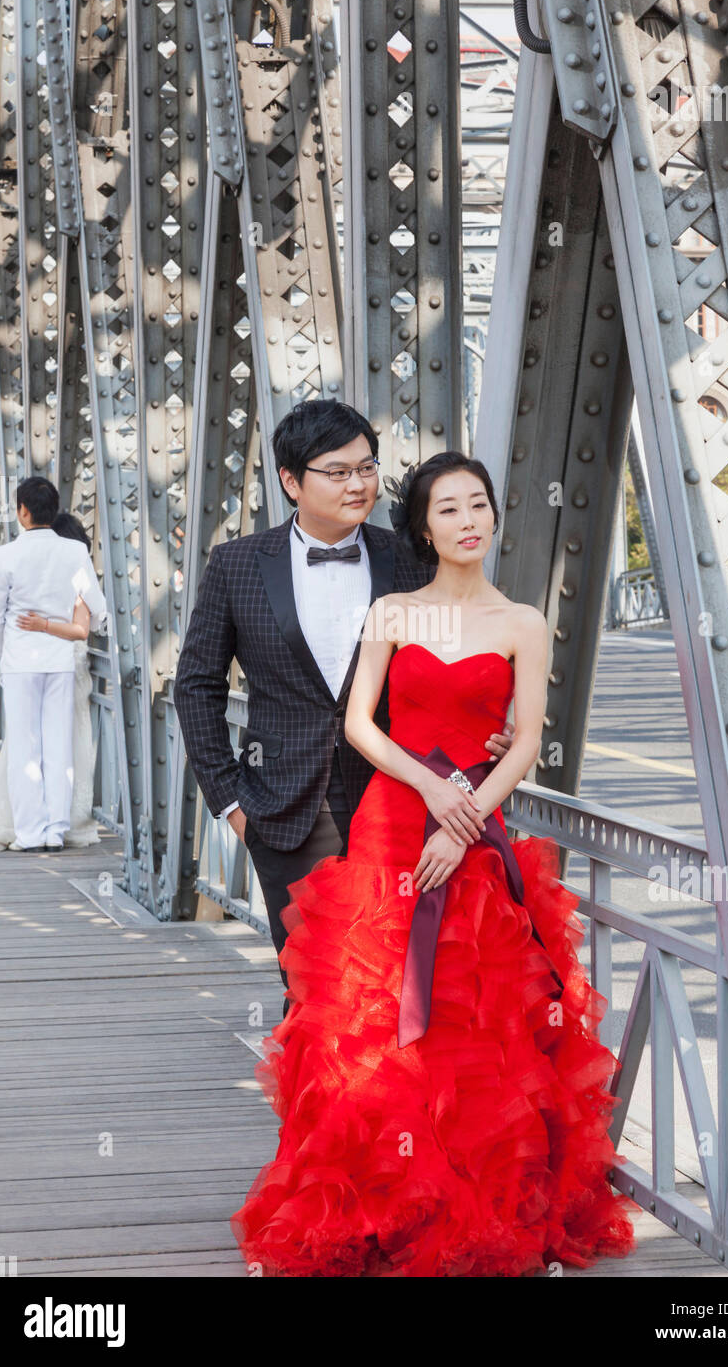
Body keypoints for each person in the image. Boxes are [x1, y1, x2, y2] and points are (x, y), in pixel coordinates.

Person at [229, 451, 640, 1277]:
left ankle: (468, 1202)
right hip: (393, 819)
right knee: (370, 1012)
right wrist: (429, 786)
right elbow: (360, 725)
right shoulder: (392, 612)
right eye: (448, 509)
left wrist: (464, 820)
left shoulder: (523, 621)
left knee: (474, 1014)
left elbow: (524, 742)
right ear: (423, 527)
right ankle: (384, 1196)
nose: (468, 521)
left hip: (475, 832)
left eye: (479, 505)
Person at [172, 400, 513, 1017]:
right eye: (337, 471)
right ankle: (312, 1115)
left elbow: (477, 644)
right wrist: (230, 803)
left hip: (402, 804)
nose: (358, 484)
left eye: (367, 467)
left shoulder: (412, 557)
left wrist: (500, 721)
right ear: (290, 480)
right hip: (281, 810)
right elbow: (196, 685)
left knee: (399, 986)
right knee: (313, 987)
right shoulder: (238, 565)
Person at [0, 481, 108, 852]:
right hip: (60, 661)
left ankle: (31, 833)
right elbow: (96, 605)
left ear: (22, 511)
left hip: (21, 662)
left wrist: (7, 651)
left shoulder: (5, 556)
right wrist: (97, 627)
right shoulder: (73, 552)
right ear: (54, 510)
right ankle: (56, 829)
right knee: (57, 745)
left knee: (24, 749)